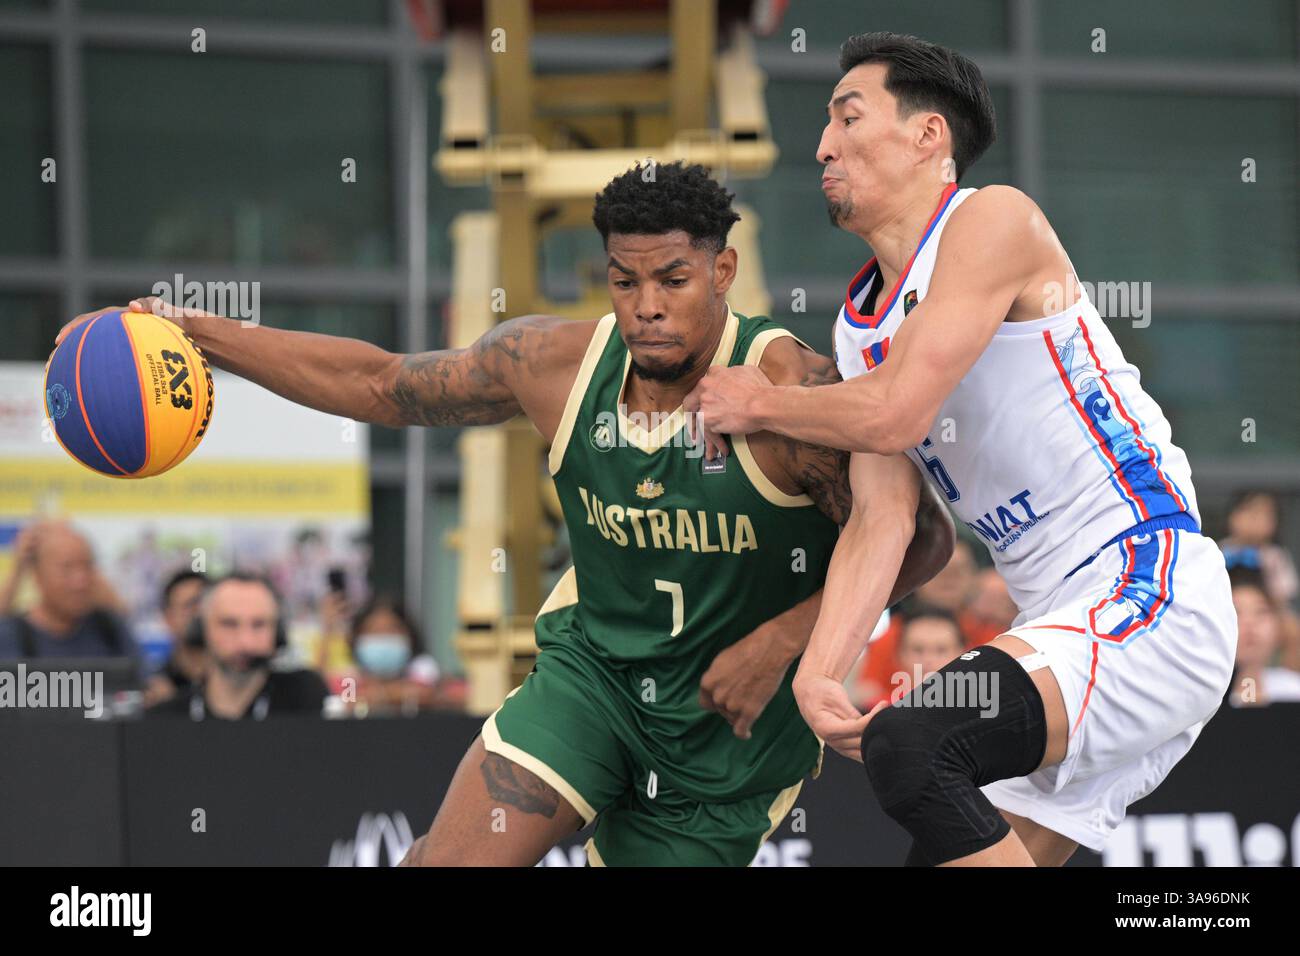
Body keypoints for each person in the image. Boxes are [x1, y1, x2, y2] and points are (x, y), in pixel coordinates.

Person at [64, 161, 954, 866]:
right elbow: (378, 381)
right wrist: (198, 334)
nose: (646, 307)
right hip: (596, 679)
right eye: (624, 279)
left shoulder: (790, 391)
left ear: (722, 269)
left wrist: (781, 640)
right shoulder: (551, 363)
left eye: (674, 280)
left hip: (732, 737)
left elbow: (920, 539)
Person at [686, 32, 1237, 866]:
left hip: (1147, 584)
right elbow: (882, 521)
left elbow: (896, 413)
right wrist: (818, 671)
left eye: (847, 116)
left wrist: (760, 401)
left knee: (911, 749)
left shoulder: (992, 220)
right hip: (1062, 625)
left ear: (927, 136)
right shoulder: (858, 329)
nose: (823, 145)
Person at [147, 572, 328, 720]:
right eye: (229, 624)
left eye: (259, 625)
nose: (245, 641)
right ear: (201, 630)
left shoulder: (307, 699)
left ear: (278, 632)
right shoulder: (164, 719)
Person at [0, 520, 137, 664]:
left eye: (87, 566)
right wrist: (17, 571)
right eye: (66, 569)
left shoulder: (110, 630)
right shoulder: (13, 636)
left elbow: (142, 681)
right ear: (37, 576)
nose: (80, 582)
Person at [1226, 567, 1300, 707]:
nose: (1250, 623)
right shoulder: (1203, 700)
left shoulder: (1294, 691)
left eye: (1261, 612)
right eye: (1237, 612)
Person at [143, 570, 209, 706]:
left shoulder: (238, 679)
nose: (199, 613)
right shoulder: (154, 686)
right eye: (190, 605)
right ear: (168, 618)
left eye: (206, 604)